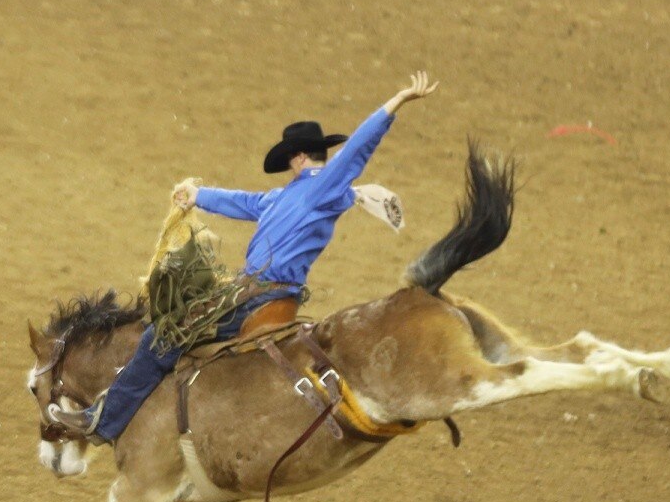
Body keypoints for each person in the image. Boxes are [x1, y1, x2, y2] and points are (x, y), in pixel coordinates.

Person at [46, 72, 442, 444]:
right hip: (255, 291)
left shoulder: (322, 186)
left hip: (259, 296)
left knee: (163, 333)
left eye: (292, 159)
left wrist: (396, 102)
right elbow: (244, 201)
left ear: (298, 156)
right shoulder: (289, 196)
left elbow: (358, 147)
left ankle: (105, 421)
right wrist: (198, 196)